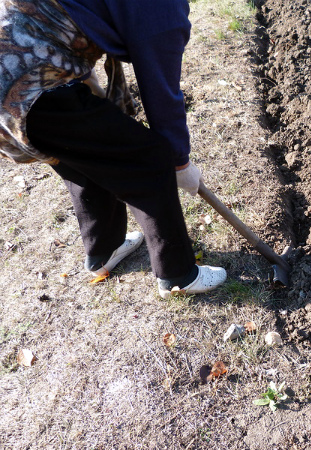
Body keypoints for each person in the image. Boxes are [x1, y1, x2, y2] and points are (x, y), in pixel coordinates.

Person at [0, 0, 227, 298]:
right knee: (148, 157)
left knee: (82, 155)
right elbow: (160, 90)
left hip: (22, 68)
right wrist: (179, 162)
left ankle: (104, 250)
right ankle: (178, 276)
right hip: (26, 83)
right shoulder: (163, 9)